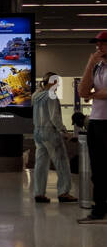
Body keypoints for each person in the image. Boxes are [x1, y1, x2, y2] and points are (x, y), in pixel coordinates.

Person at [32, 73, 74, 204]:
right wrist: (64, 131)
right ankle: (64, 192)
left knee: (41, 164)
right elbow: (54, 117)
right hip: (50, 132)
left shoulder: (36, 96)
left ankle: (39, 193)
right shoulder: (51, 95)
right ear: (51, 82)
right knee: (61, 162)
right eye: (57, 82)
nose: (58, 84)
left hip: (37, 132)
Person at [78, 33, 107, 224]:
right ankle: (99, 209)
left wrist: (92, 95)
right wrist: (90, 63)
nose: (99, 47)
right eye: (97, 44)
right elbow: (82, 91)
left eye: (103, 44)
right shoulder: (98, 67)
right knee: (98, 168)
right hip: (96, 121)